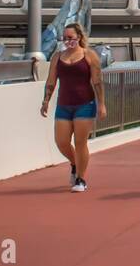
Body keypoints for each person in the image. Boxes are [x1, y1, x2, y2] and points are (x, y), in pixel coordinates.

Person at [40, 22, 108, 193]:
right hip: (64, 105)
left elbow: (97, 82)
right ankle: (74, 163)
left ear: (79, 37)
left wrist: (101, 104)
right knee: (61, 142)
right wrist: (46, 100)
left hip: (85, 104)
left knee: (80, 142)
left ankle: (81, 178)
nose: (67, 41)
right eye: (65, 38)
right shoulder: (57, 57)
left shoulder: (89, 55)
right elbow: (51, 81)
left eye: (70, 38)